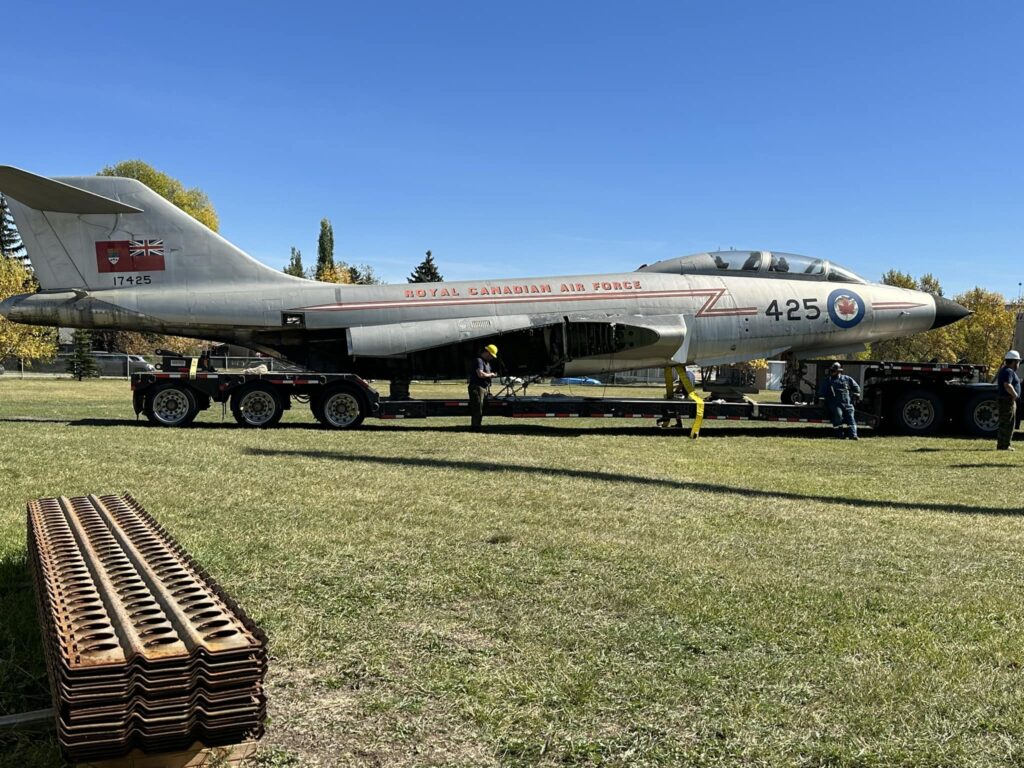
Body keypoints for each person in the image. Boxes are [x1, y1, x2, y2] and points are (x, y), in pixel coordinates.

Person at [818, 362, 861, 439]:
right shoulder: (828, 380)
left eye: (833, 371)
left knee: (851, 418)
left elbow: (857, 388)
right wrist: (822, 401)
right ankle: (840, 435)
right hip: (835, 403)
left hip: (847, 403)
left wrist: (856, 395)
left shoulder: (847, 379)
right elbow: (822, 392)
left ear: (838, 371)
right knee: (838, 417)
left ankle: (853, 435)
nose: (831, 372)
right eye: (831, 371)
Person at [468, 344, 498, 431]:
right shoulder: (479, 361)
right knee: (478, 407)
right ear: (487, 352)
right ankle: (475, 427)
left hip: (483, 387)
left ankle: (477, 426)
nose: (492, 358)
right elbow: (480, 374)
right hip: (478, 387)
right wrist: (491, 375)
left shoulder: (486, 362)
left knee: (481, 408)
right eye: (491, 355)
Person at [995, 350, 1021, 450]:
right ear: (1014, 362)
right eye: (1017, 362)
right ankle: (1004, 445)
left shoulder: (1005, 370)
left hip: (1006, 400)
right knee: (1007, 424)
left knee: (1006, 423)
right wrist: (1015, 395)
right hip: (1007, 400)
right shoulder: (1008, 371)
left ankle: (1003, 444)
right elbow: (1007, 385)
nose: (1018, 364)